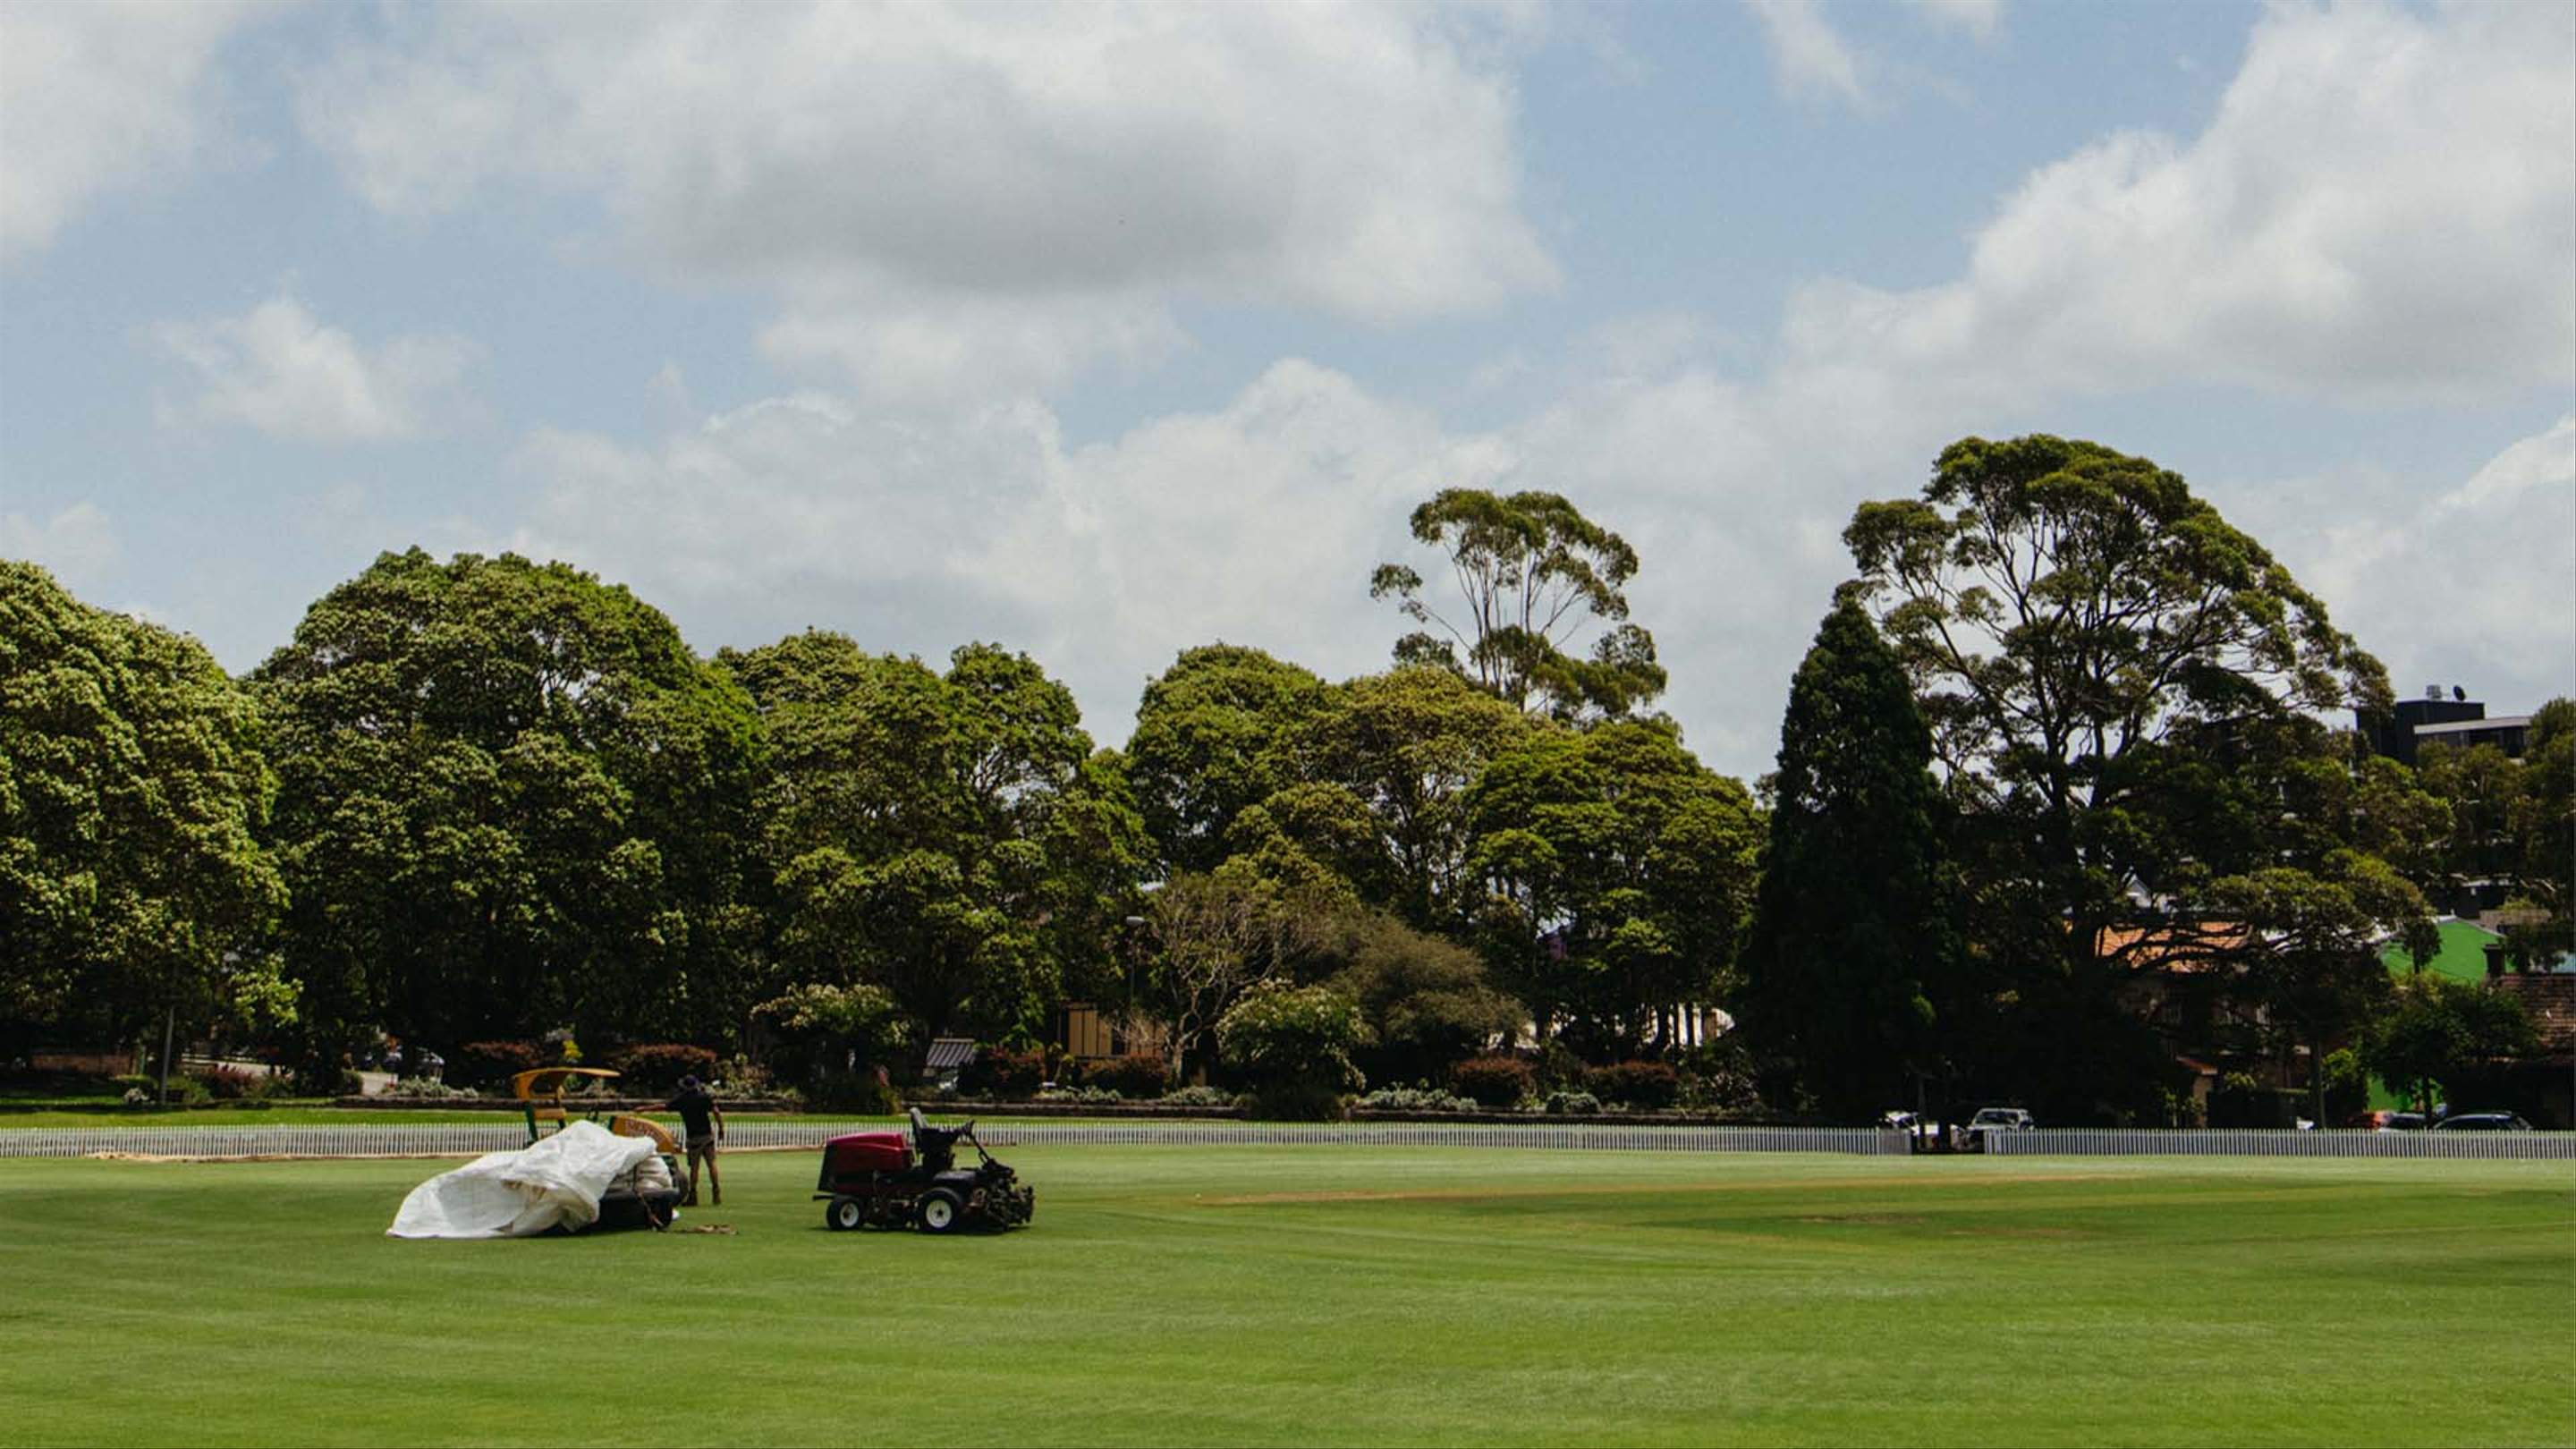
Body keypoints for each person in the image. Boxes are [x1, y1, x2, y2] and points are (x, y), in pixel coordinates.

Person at [667, 1074, 724, 1207]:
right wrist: (721, 1128)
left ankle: (693, 1195)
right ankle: (716, 1192)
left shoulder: (682, 1100)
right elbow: (716, 1112)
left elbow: (664, 1106)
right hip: (707, 1135)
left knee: (694, 1168)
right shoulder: (704, 1097)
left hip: (694, 1137)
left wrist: (644, 1108)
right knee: (712, 1165)